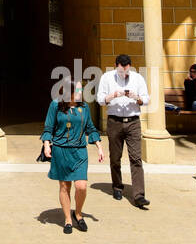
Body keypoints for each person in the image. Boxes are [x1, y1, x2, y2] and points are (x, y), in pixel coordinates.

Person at [42, 76, 104, 234]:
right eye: (76, 90)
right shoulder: (55, 105)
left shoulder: (84, 108)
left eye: (80, 90)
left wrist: (99, 147)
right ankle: (68, 219)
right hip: (61, 151)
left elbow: (90, 128)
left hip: (79, 151)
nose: (80, 92)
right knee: (64, 186)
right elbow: (48, 128)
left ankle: (78, 213)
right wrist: (46, 145)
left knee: (81, 186)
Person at [97, 54, 150, 208]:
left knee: (136, 158)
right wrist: (112, 96)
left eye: (126, 71)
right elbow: (100, 99)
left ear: (129, 67)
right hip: (114, 120)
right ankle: (117, 186)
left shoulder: (138, 78)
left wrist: (137, 98)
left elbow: (146, 99)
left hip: (133, 121)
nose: (124, 74)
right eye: (121, 71)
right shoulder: (107, 78)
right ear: (116, 66)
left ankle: (139, 195)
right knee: (115, 157)